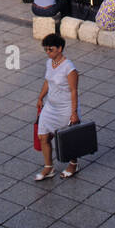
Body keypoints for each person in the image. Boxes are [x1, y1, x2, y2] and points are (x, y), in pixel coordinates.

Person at [34, 33, 80, 180]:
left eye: (50, 49)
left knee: (68, 139)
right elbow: (48, 81)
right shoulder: (49, 63)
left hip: (65, 109)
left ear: (60, 49)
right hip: (50, 107)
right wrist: (41, 97)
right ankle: (49, 167)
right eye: (46, 50)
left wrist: (74, 113)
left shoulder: (69, 68)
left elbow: (74, 91)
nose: (48, 53)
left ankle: (73, 164)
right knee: (43, 137)